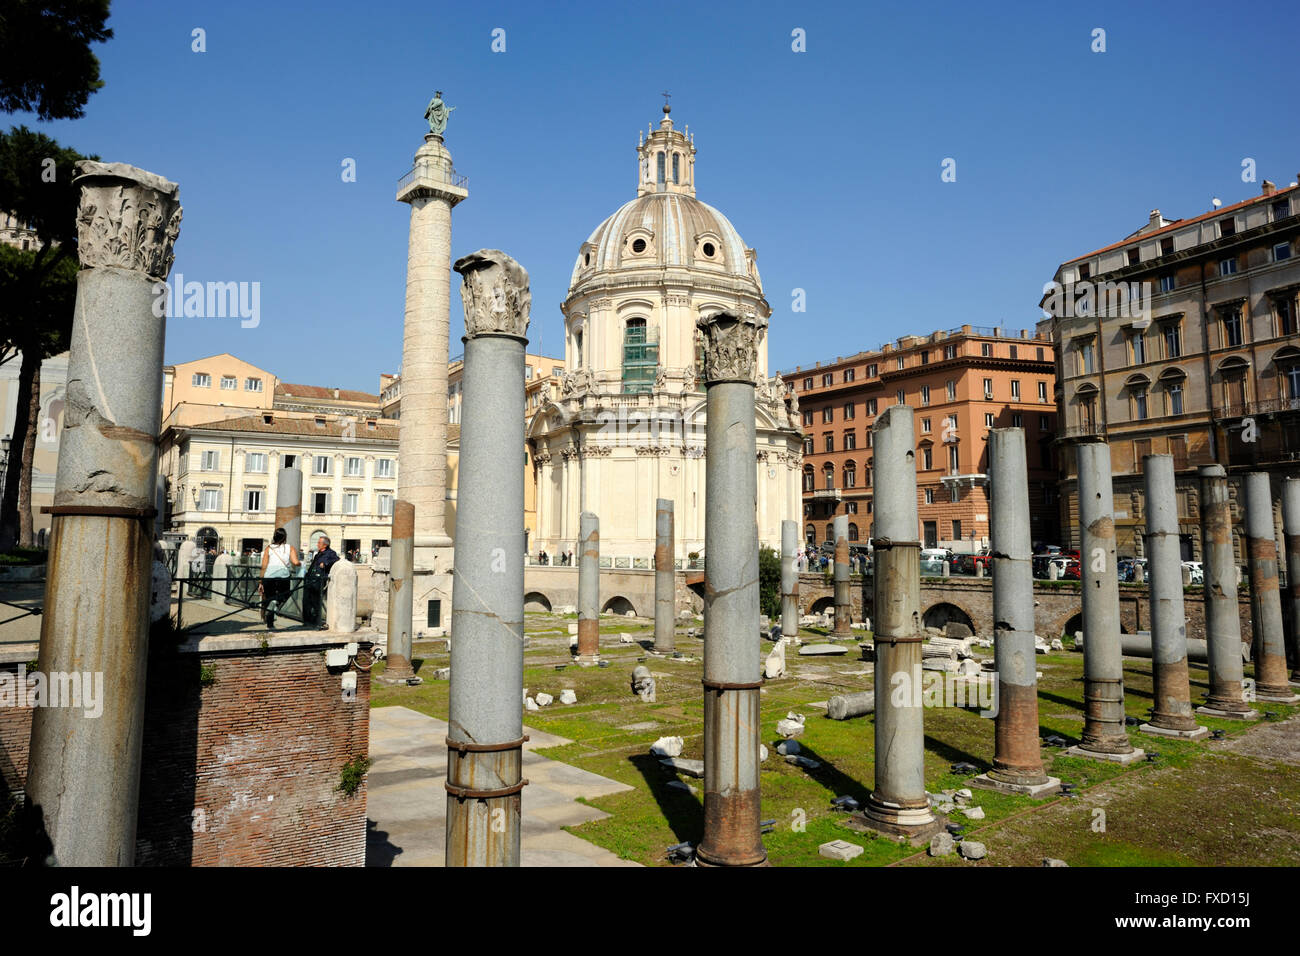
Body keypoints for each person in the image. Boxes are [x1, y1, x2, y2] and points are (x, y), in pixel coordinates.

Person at [259, 527, 301, 629]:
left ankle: (270, 626)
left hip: (269, 577)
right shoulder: (289, 548)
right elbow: (295, 562)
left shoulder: (268, 548)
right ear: (285, 537)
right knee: (285, 594)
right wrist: (300, 563)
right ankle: (276, 604)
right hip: (283, 577)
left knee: (270, 599)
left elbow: (264, 566)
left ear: (274, 536)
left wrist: (260, 581)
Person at [304, 535, 339, 628]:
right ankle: (308, 621)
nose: (317, 544)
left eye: (319, 543)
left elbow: (336, 561)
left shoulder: (331, 553)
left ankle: (316, 622)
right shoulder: (317, 554)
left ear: (325, 545)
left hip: (319, 580)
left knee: (316, 601)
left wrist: (326, 564)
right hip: (311, 579)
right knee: (308, 601)